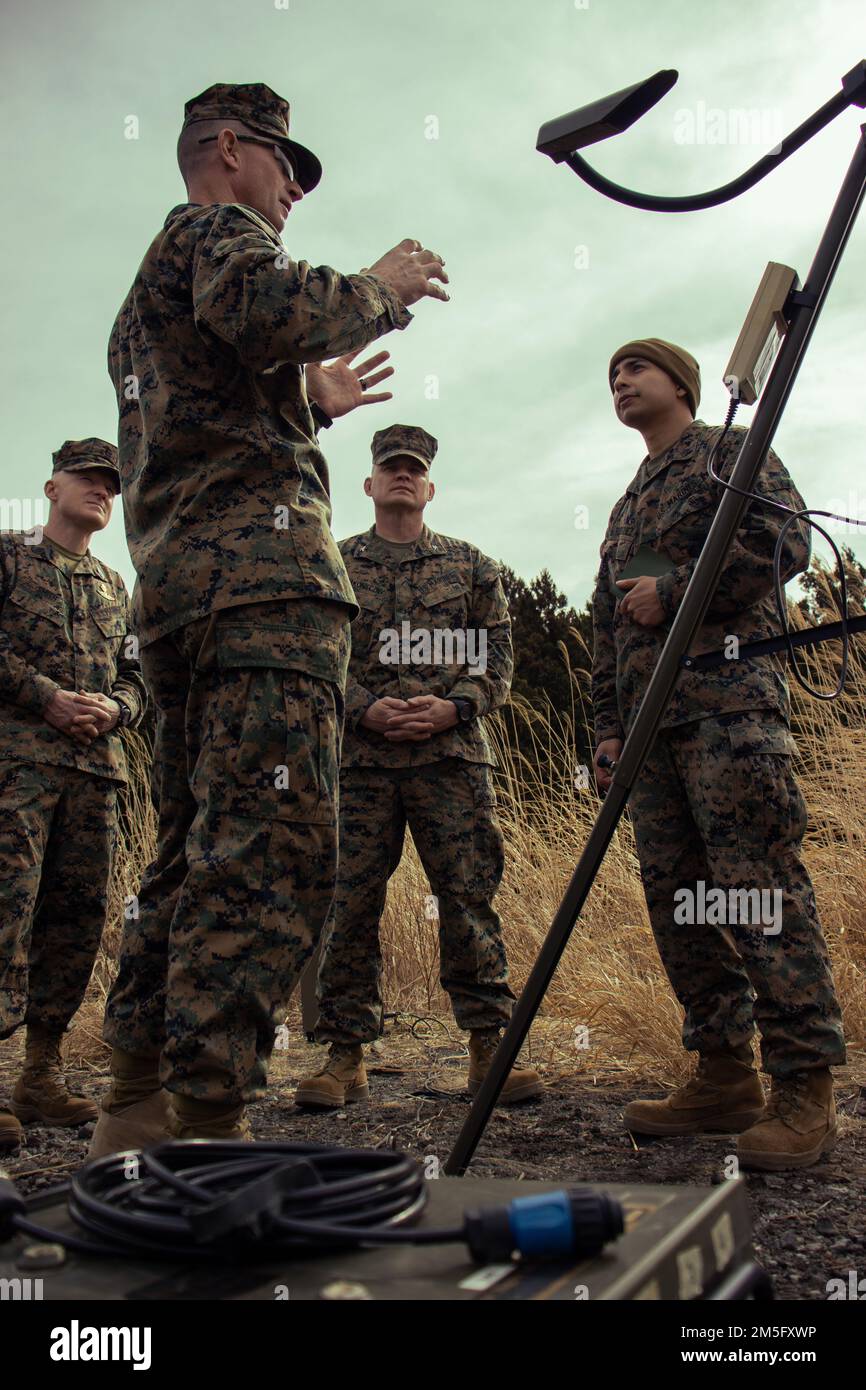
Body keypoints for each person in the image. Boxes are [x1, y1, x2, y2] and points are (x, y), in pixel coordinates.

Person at [88, 82, 449, 1157]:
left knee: (193, 846)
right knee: (270, 841)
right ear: (231, 148)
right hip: (261, 595)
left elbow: (213, 409)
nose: (295, 187)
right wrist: (379, 288)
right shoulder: (215, 226)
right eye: (286, 164)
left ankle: (140, 1094)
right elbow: (270, 311)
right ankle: (209, 1120)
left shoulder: (147, 290)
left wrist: (308, 405)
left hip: (184, 591)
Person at [591, 338, 846, 1170]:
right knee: (682, 901)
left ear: (681, 384)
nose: (622, 383)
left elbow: (785, 543)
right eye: (613, 377)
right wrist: (606, 727)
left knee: (756, 890)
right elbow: (611, 628)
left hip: (728, 710)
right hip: (651, 732)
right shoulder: (633, 504)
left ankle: (805, 1085)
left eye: (637, 369)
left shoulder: (729, 454)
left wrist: (676, 589)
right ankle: (724, 1070)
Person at [294, 424, 542, 1108]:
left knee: (467, 898)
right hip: (360, 763)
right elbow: (316, 654)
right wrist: (363, 707)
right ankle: (343, 1056)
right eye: (389, 467)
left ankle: (488, 1045)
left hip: (451, 761)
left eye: (414, 469)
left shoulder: (471, 567)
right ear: (369, 484)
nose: (402, 476)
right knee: (347, 903)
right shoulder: (333, 565)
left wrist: (455, 707)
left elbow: (498, 658)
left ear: (429, 488)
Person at [0, 439, 146, 1152]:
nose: (100, 491)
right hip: (16, 768)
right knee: (7, 909)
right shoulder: (9, 555)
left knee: (76, 919)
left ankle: (40, 1074)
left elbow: (137, 678)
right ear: (51, 485)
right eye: (87, 479)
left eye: (110, 485)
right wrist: (45, 696)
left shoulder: (115, 586)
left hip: (97, 775)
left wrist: (117, 709)